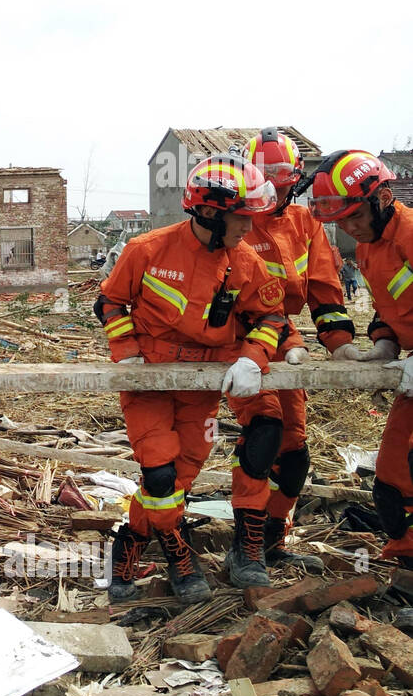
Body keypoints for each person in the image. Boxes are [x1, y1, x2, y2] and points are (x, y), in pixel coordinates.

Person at [95, 155, 289, 603]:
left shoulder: (245, 264)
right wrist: (125, 353)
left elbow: (270, 317)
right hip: (148, 381)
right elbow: (109, 303)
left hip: (201, 385)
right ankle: (181, 557)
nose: (248, 228)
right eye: (241, 218)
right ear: (208, 211)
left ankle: (127, 546)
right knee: (159, 473)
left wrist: (252, 358)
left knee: (178, 480)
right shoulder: (148, 249)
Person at [237, 128, 358, 575]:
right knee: (263, 434)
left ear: (296, 178)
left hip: (285, 337)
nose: (273, 186)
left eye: (282, 177)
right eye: (265, 177)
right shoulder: (239, 219)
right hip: (240, 338)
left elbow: (325, 288)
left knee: (295, 454)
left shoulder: (306, 223)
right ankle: (244, 550)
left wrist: (341, 345)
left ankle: (271, 540)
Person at [307, 150, 413, 568]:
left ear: (382, 199)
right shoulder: (370, 249)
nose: (349, 230)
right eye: (340, 223)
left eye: (354, 217)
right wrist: (385, 340)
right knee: (391, 479)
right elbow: (389, 308)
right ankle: (408, 561)